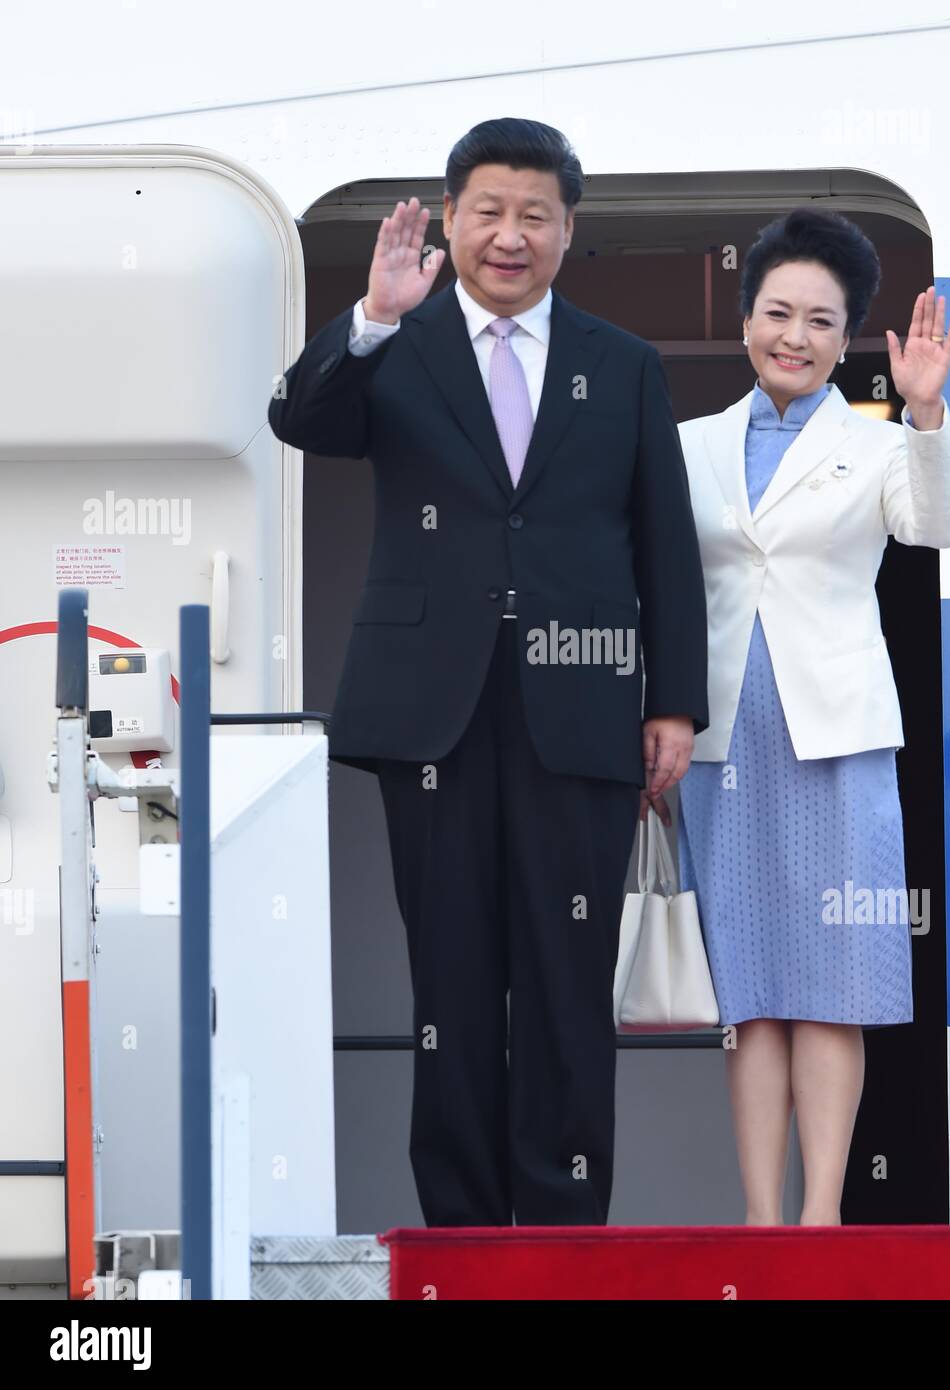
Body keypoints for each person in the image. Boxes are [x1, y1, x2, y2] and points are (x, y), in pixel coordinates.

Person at [268, 118, 708, 1226]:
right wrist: (370, 316)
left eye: (535, 217)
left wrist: (672, 703)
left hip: (583, 704)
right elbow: (296, 417)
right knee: (451, 980)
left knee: (567, 981)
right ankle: (460, 1233)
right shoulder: (396, 342)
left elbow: (663, 540)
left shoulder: (621, 365)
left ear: (569, 231)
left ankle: (562, 1232)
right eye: (487, 213)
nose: (509, 237)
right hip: (434, 714)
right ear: (451, 220)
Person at [672, 208, 950, 1225]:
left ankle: (822, 1218)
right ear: (745, 318)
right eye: (774, 313)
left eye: (816, 320)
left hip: (834, 735)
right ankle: (761, 1218)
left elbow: (937, 526)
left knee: (832, 978)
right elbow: (659, 591)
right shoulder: (688, 445)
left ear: (847, 338)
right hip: (720, 738)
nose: (790, 337)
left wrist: (925, 415)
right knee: (750, 990)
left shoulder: (876, 440)